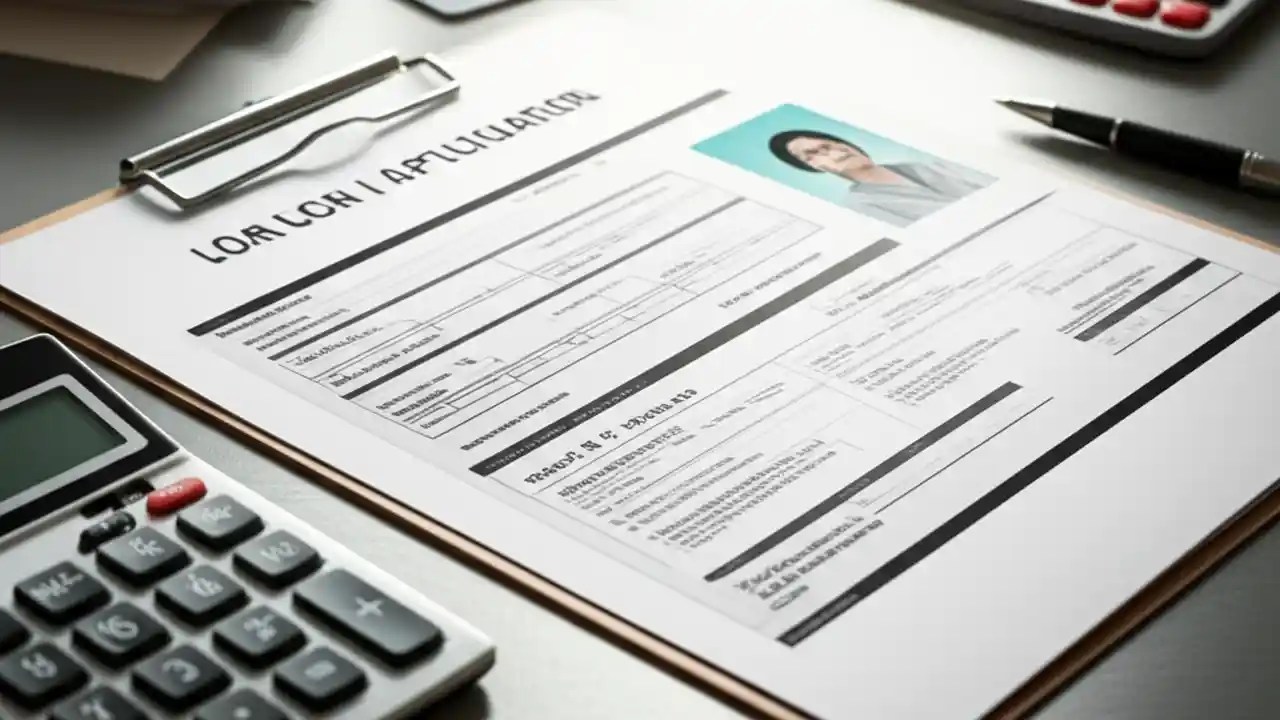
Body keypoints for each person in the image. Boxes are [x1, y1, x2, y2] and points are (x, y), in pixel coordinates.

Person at [768, 129, 994, 227]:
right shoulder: (861, 208)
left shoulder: (929, 164)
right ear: (814, 168)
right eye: (812, 155)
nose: (833, 153)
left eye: (827, 145)